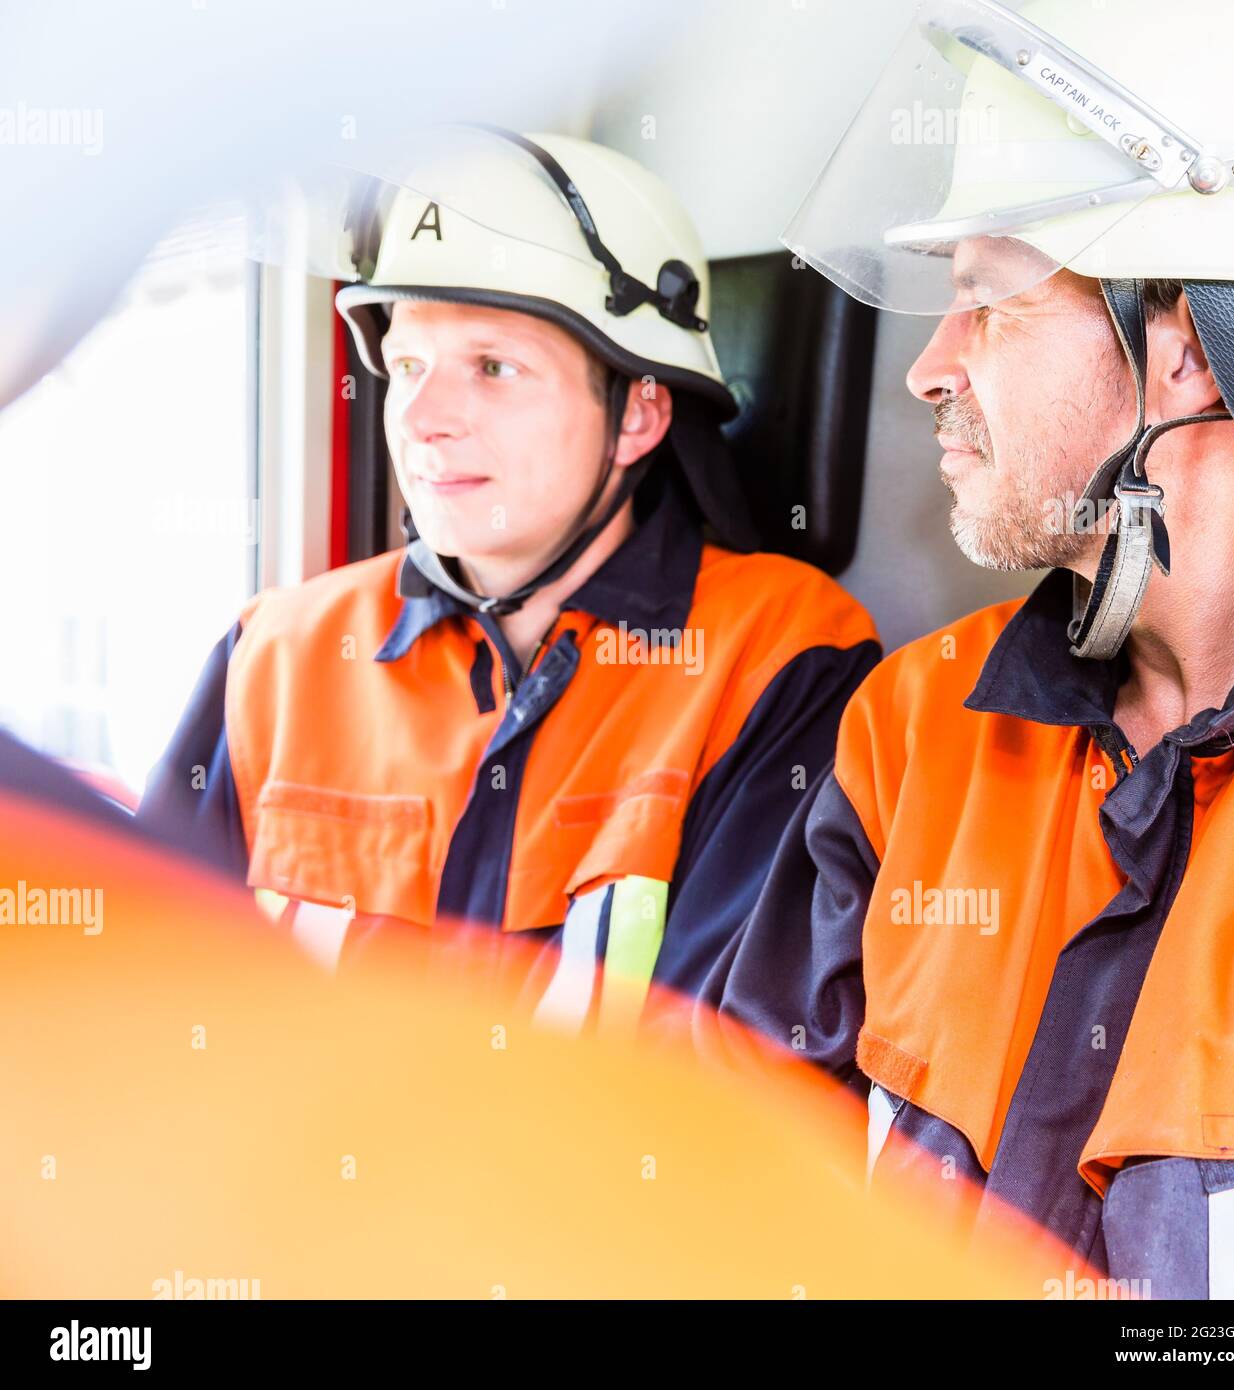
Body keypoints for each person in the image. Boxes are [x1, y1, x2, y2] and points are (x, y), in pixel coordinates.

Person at [703, 0, 1234, 1296]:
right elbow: (741, 1173)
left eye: (986, 301)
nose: (930, 368)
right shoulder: (912, 727)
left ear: (1190, 349)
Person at [137, 128, 880, 1026]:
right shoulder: (276, 655)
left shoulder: (780, 662)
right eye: (407, 364)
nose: (420, 416)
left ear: (639, 412)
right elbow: (149, 1018)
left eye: (493, 367)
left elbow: (736, 1074)